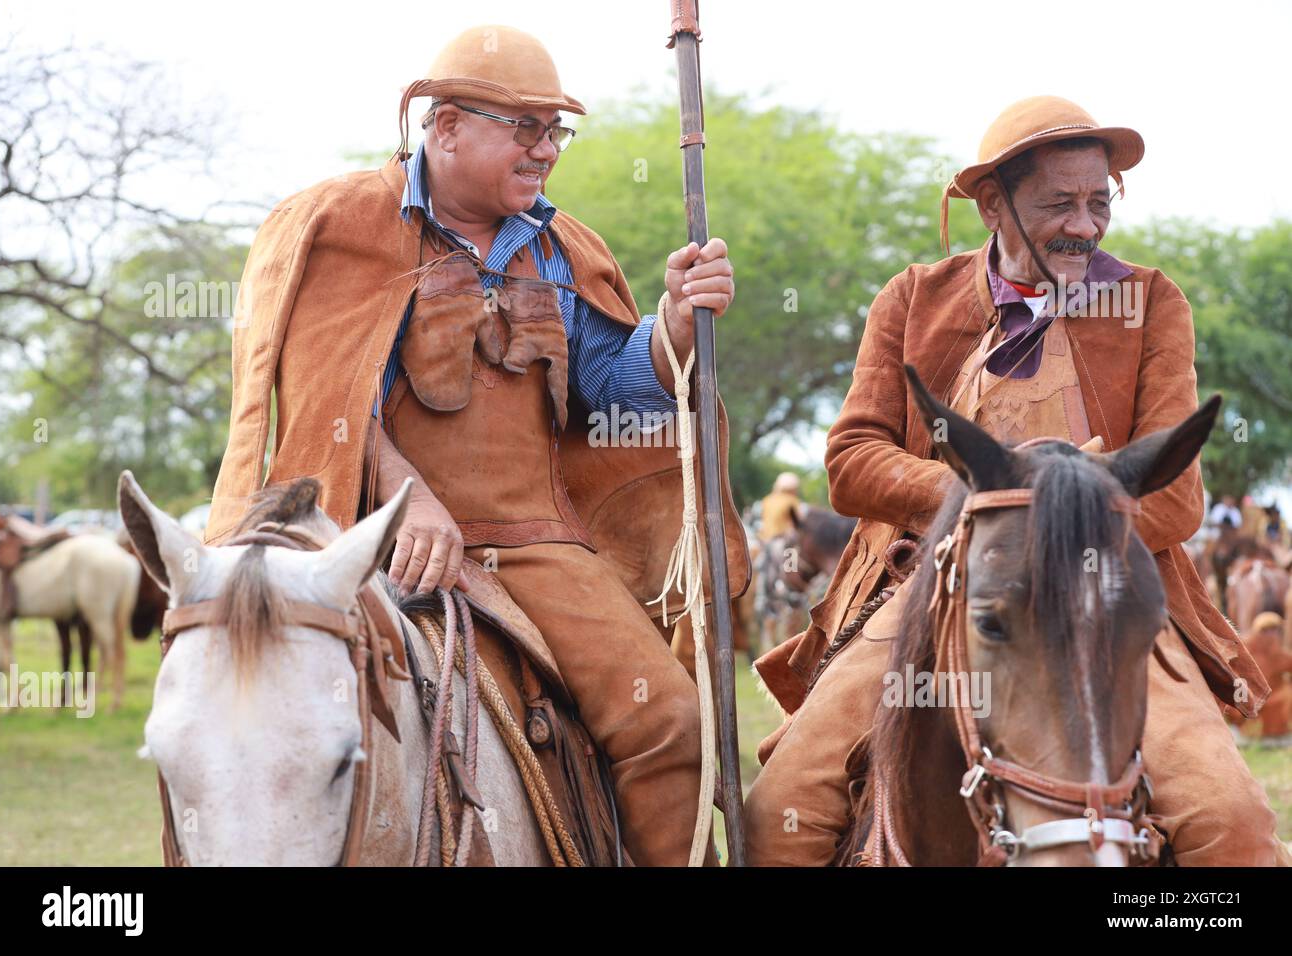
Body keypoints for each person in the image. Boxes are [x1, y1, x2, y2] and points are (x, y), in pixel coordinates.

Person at [204, 25, 746, 866]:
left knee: (670, 724)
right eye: (523, 127)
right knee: (236, 711)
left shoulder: (567, 249)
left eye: (554, 131)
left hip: (535, 541)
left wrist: (674, 325)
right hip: (367, 536)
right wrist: (404, 496)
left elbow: (613, 387)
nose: (544, 150)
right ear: (445, 125)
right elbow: (325, 398)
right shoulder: (343, 225)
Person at [745, 96, 1285, 866]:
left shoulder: (1153, 303)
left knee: (1234, 827)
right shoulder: (912, 298)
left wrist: (1071, 516)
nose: (1086, 225)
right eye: (1059, 203)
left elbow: (1175, 496)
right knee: (780, 812)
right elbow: (852, 459)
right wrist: (979, 505)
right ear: (993, 204)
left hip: (1104, 590)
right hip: (938, 584)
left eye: (1099, 202)